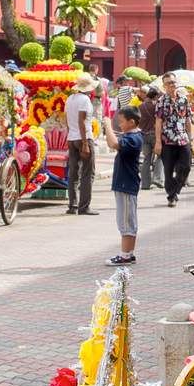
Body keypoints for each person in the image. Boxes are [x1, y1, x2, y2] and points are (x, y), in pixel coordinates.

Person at [103, 106, 143, 266]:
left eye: (121, 122)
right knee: (125, 220)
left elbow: (114, 143)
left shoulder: (134, 139)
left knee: (126, 222)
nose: (119, 125)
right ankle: (128, 254)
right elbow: (113, 141)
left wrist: (107, 126)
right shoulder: (130, 135)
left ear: (132, 122)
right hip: (124, 184)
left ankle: (126, 255)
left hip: (127, 184)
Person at [155, 73, 194, 207]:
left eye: (173, 82)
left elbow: (188, 120)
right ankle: (172, 196)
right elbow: (158, 122)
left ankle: (175, 190)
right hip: (168, 140)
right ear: (164, 86)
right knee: (168, 170)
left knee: (186, 166)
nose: (172, 85)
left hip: (183, 138)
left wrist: (191, 137)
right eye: (168, 83)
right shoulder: (161, 101)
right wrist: (158, 142)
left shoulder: (184, 99)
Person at [66, 73, 98, 215]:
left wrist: (71, 136)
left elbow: (68, 121)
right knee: (87, 173)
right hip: (83, 137)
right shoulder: (84, 100)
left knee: (73, 173)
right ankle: (84, 206)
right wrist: (85, 143)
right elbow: (82, 121)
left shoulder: (70, 99)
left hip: (72, 138)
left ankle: (72, 205)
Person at [138, 85, 163, 190]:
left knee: (146, 159)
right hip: (154, 134)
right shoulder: (156, 105)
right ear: (156, 96)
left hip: (143, 134)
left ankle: (145, 184)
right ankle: (157, 179)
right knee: (160, 156)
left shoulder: (140, 106)